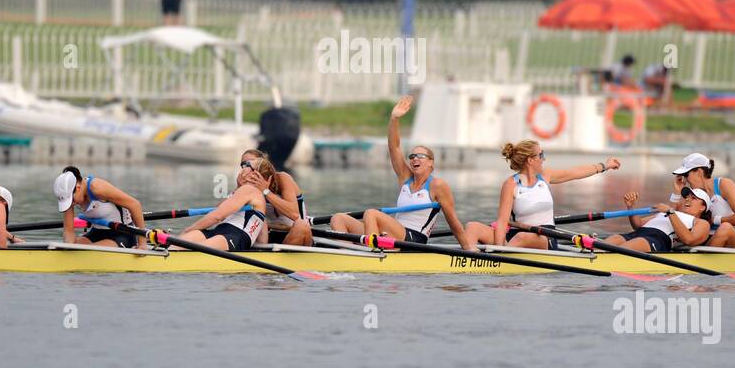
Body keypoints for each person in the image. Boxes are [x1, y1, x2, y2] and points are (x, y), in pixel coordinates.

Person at [328, 95, 474, 249]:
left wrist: (469, 248)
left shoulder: (437, 185)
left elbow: (453, 221)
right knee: (338, 219)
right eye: (412, 156)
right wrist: (394, 119)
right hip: (394, 234)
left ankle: (372, 253)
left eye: (420, 156)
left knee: (371, 213)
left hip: (415, 239)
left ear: (431, 162)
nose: (414, 159)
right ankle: (347, 254)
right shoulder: (406, 178)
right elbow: (394, 148)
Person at [463, 140, 620, 250]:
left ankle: (501, 255)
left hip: (545, 237)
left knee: (521, 238)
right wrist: (498, 246)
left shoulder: (546, 176)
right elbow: (503, 221)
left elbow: (576, 172)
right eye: (541, 154)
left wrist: (605, 165)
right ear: (530, 160)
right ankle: (471, 258)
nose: (543, 158)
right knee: (472, 227)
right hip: (516, 234)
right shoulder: (510, 184)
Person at [176, 157, 272, 250]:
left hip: (235, 237)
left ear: (254, 173)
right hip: (218, 232)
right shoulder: (245, 193)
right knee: (176, 245)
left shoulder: (249, 190)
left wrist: (187, 230)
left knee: (187, 246)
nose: (243, 167)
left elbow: (217, 216)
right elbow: (263, 240)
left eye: (246, 164)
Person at [53, 167, 148, 249]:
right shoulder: (68, 195)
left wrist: (142, 244)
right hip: (96, 233)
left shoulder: (97, 188)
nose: (71, 203)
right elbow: (68, 232)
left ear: (78, 188)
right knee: (73, 249)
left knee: (85, 253)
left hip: (122, 234)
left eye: (71, 200)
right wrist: (68, 249)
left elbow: (135, 205)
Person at [669, 152, 735, 248]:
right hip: (705, 239)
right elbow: (672, 217)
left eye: (686, 175)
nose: (684, 180)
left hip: (732, 239)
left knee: (725, 227)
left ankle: (702, 260)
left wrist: (714, 220)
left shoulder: (724, 184)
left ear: (699, 172)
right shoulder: (693, 194)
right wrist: (677, 192)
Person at [235, 148, 312, 246]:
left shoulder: (282, 179)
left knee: (301, 225)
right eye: (243, 165)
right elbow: (221, 211)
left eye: (249, 164)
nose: (246, 169)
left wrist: (265, 191)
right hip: (269, 238)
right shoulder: (247, 185)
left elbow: (294, 214)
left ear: (263, 164)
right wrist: (238, 189)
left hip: (299, 235)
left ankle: (281, 259)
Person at [606, 187, 712, 253]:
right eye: (687, 197)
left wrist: (670, 212)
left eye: (694, 198)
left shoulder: (701, 222)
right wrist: (631, 206)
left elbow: (689, 240)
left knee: (629, 246)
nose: (688, 200)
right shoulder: (671, 212)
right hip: (637, 233)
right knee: (614, 239)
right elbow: (637, 224)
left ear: (703, 207)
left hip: (657, 240)